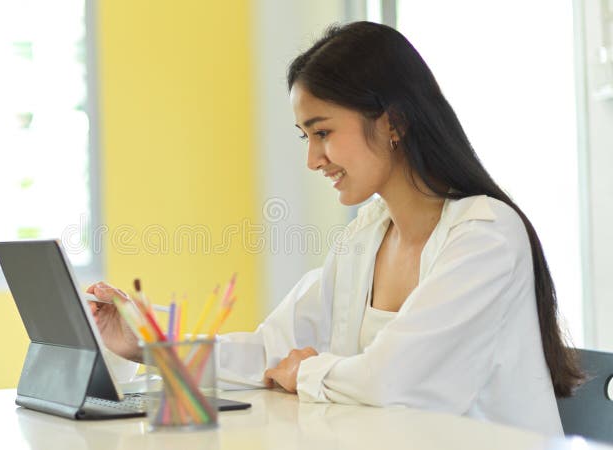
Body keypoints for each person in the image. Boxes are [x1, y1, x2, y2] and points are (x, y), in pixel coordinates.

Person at [86, 21, 582, 435]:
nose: (311, 158)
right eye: (305, 136)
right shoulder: (366, 235)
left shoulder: (486, 236)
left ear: (394, 122)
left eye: (323, 132)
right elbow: (269, 351)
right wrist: (152, 349)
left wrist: (306, 370)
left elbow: (393, 381)